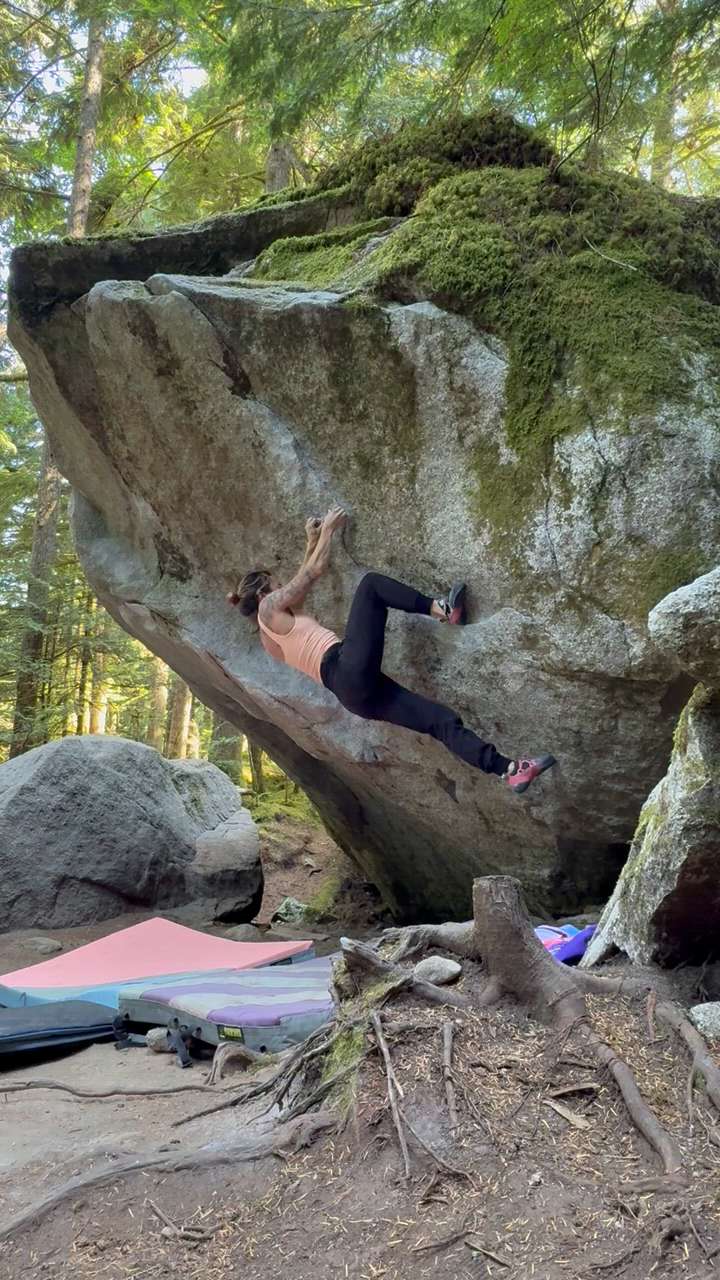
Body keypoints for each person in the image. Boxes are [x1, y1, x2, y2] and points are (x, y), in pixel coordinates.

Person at [228, 507, 556, 794]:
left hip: (353, 695)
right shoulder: (269, 605)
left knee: (440, 721)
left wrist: (311, 540)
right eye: (275, 581)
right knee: (370, 586)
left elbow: (301, 584)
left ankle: (509, 770)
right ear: (262, 591)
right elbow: (312, 573)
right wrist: (328, 528)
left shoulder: (268, 637)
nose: (281, 583)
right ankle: (444, 611)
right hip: (344, 667)